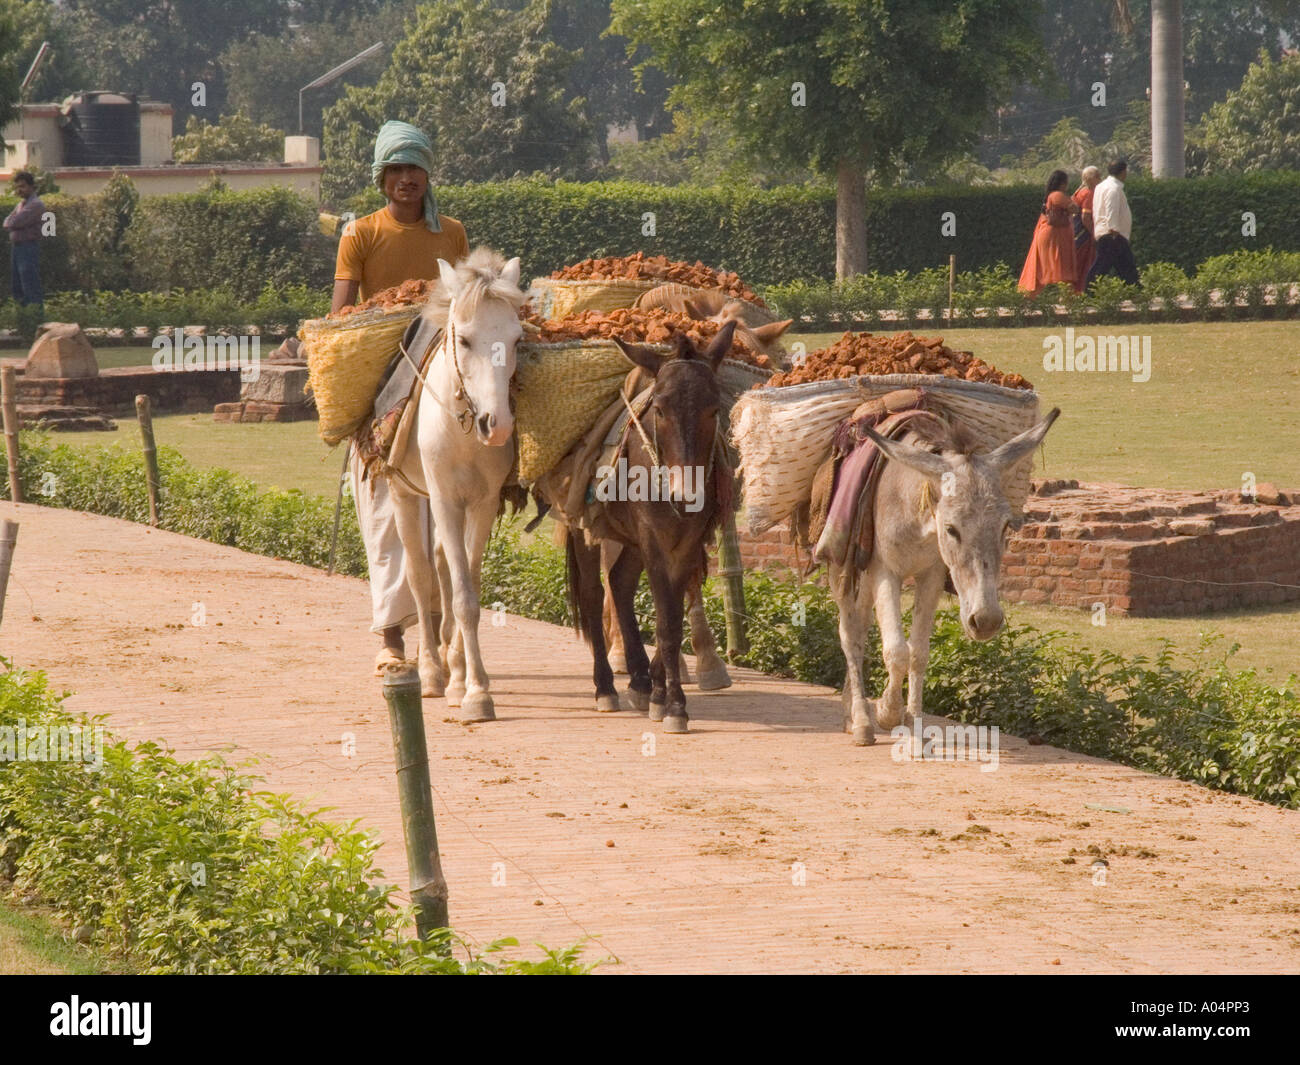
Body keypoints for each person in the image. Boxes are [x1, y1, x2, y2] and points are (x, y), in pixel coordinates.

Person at [332, 120, 470, 674]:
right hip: (385, 374)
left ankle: (437, 635)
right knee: (388, 512)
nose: (406, 179)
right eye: (396, 170)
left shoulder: (452, 233)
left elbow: (465, 303)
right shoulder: (359, 233)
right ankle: (390, 635)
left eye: (414, 168)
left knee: (449, 514)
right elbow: (341, 314)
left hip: (441, 365)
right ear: (381, 178)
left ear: (427, 174)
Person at [1017, 169, 1080, 294]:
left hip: (1049, 235)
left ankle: (1029, 297)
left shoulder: (1050, 196)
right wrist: (1070, 205)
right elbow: (1074, 208)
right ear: (1063, 183)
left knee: (1041, 268)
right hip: (1054, 237)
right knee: (1062, 267)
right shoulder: (1058, 195)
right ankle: (1068, 299)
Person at [1085, 159, 1139, 289]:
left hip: (1107, 233)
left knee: (1125, 265)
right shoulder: (1113, 188)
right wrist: (1113, 229)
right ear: (1123, 172)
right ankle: (1088, 292)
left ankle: (1135, 291)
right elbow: (1111, 209)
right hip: (1112, 234)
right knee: (1102, 266)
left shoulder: (1101, 186)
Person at [4, 171, 46, 307]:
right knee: (17, 287)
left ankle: (35, 320)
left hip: (28, 247)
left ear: (32, 186)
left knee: (29, 285)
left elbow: (14, 222)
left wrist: (12, 223)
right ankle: (23, 321)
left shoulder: (36, 204)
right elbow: (6, 221)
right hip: (17, 248)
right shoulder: (21, 204)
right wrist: (11, 222)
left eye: (22, 186)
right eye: (17, 187)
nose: (19, 190)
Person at [1071, 165, 1101, 292]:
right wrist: (1094, 234)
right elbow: (1086, 217)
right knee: (1084, 264)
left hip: (1074, 233)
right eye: (1098, 176)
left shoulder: (1080, 191)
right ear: (1092, 178)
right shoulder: (1089, 193)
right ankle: (1080, 292)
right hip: (1083, 234)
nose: (1100, 179)